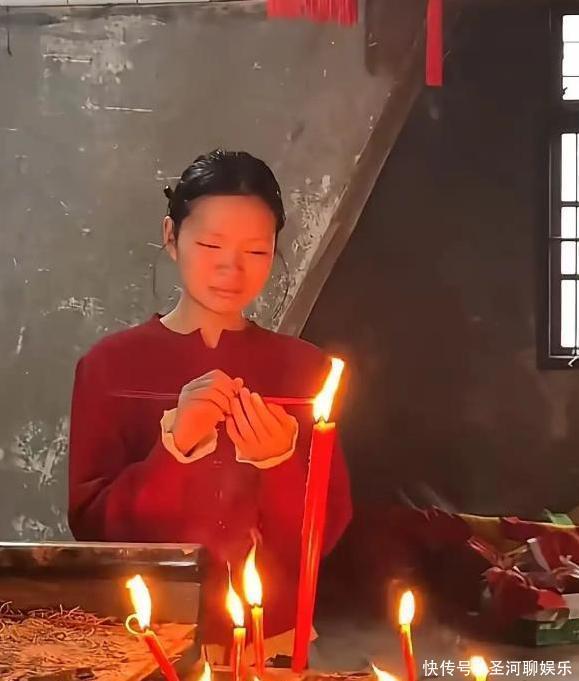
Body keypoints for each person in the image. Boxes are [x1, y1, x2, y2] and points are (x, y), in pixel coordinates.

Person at [68, 149, 352, 660]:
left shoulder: (307, 370)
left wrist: (280, 464)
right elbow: (93, 530)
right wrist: (173, 451)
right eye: (209, 244)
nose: (231, 268)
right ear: (171, 236)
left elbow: (324, 534)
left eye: (256, 251)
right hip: (144, 638)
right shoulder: (110, 366)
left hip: (271, 640)